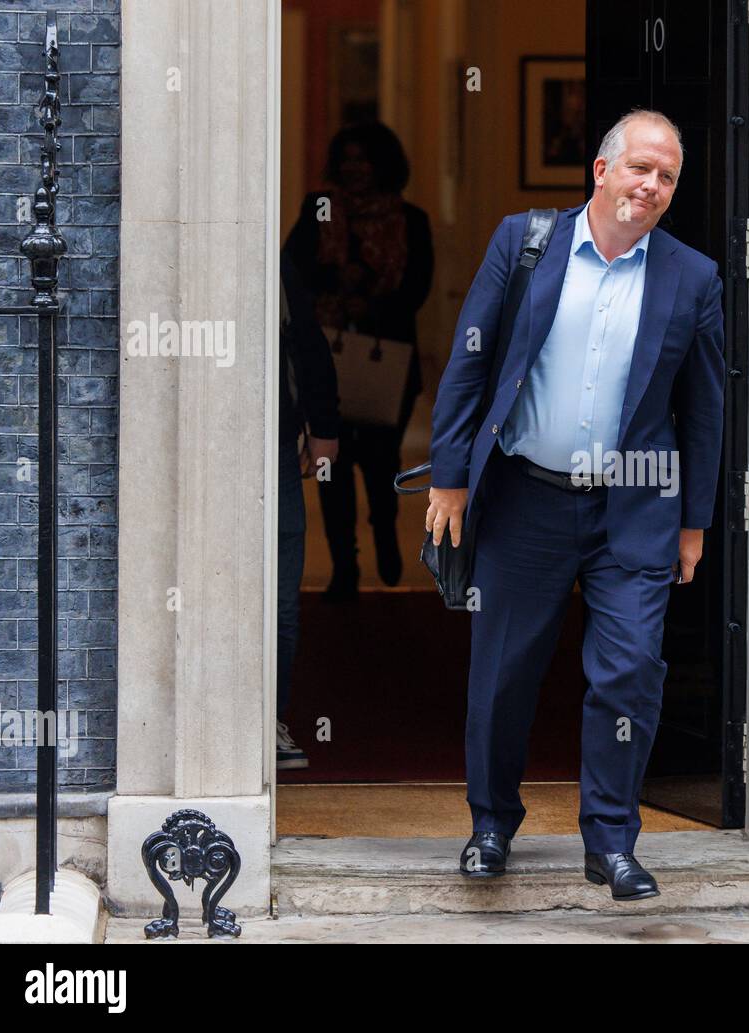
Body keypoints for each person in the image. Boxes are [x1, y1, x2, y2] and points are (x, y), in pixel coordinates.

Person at [427, 109, 725, 901]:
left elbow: (704, 410)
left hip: (635, 508)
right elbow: (469, 357)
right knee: (502, 672)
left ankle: (613, 840)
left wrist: (694, 519)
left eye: (666, 177)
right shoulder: (524, 243)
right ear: (601, 171)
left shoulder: (691, 277)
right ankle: (491, 824)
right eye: (640, 169)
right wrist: (450, 473)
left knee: (629, 670)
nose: (652, 186)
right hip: (527, 497)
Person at [283, 121, 434, 600]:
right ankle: (344, 563)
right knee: (333, 462)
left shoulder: (411, 218)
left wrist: (369, 296)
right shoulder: (319, 209)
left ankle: (386, 532)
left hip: (386, 357)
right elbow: (292, 272)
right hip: (327, 356)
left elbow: (417, 287)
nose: (353, 168)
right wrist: (334, 279)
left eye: (362, 159)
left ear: (383, 165)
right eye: (346, 159)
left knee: (380, 459)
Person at [277, 250, 340, 770]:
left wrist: (323, 426)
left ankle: (269, 719)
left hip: (276, 445)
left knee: (280, 599)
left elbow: (307, 341)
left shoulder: (280, 262)